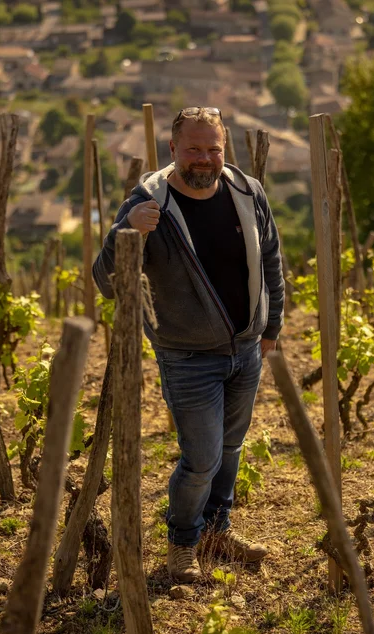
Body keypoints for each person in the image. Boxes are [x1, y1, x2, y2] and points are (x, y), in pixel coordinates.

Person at [93, 107, 284, 583]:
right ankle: (183, 541)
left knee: (231, 447)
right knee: (202, 459)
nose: (204, 159)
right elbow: (106, 281)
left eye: (213, 149)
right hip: (187, 356)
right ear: (173, 149)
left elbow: (272, 264)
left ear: (224, 150)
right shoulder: (148, 204)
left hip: (245, 350)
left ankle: (217, 532)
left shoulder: (247, 191)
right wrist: (127, 232)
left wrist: (271, 329)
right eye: (194, 149)